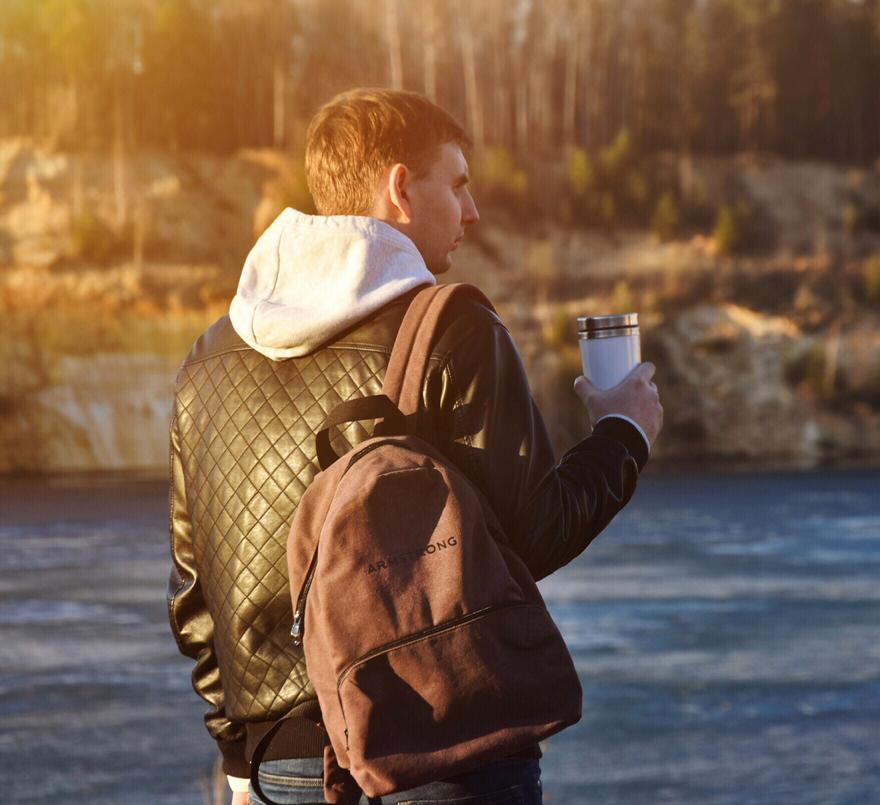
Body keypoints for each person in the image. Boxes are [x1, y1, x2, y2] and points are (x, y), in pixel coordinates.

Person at [166, 88, 663, 805]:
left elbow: (192, 594)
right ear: (401, 187)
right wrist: (625, 433)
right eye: (457, 183)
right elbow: (536, 534)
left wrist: (239, 756)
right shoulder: (454, 329)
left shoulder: (210, 355)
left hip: (280, 767)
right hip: (435, 755)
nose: (473, 211)